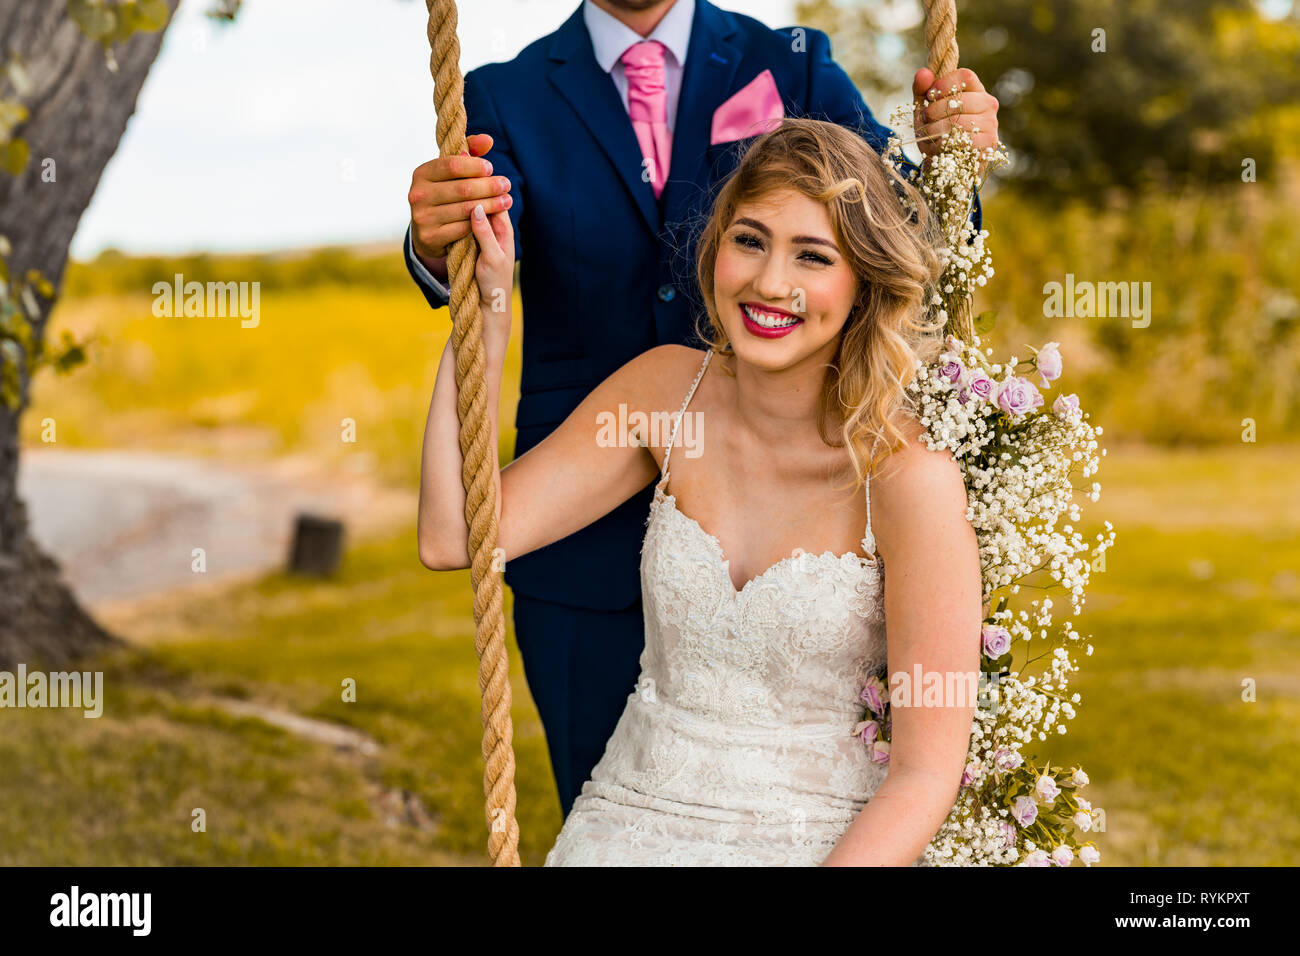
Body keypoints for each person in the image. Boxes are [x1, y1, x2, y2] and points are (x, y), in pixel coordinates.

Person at [408, 0, 998, 818]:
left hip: (794, 500)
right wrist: (439, 245)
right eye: (748, 241)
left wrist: (952, 164)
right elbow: (476, 252)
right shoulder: (506, 94)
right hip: (581, 542)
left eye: (803, 255)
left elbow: (908, 225)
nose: (766, 277)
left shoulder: (788, 59)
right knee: (603, 799)